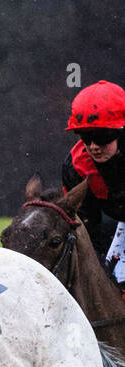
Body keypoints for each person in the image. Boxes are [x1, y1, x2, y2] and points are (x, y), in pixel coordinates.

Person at [63, 81, 125, 264]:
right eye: (86, 138)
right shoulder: (75, 166)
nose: (93, 147)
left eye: (101, 137)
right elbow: (85, 227)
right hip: (111, 220)